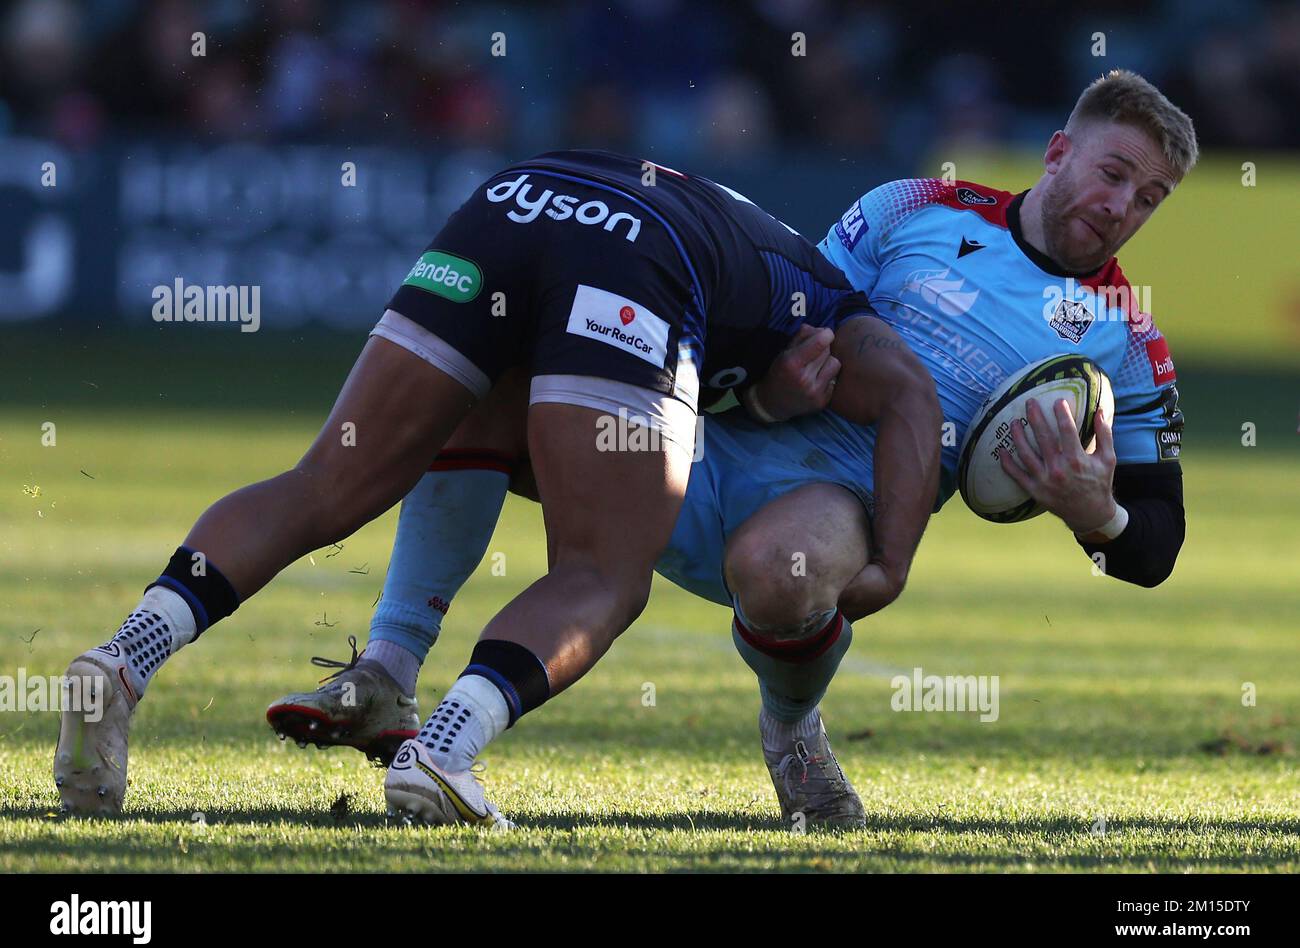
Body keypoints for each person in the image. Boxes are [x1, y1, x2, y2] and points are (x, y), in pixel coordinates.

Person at [269, 69, 1195, 829]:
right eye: (1114, 174)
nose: (1123, 207)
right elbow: (785, 303)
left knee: (782, 573)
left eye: (1149, 198)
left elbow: (1157, 545)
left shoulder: (1128, 342)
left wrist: (1097, 512)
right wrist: (761, 384)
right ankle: (391, 664)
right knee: (474, 407)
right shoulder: (915, 206)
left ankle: (791, 733)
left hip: (840, 499)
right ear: (1059, 151)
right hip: (708, 435)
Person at [55, 149, 943, 821]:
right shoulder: (838, 311)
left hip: (512, 202)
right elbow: (909, 394)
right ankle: (442, 751)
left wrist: (748, 391)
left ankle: (125, 657)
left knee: (331, 477)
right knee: (602, 572)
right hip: (638, 259)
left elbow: (691, 364)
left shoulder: (765, 257)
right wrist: (894, 563)